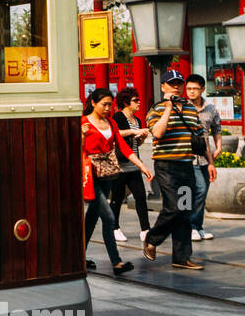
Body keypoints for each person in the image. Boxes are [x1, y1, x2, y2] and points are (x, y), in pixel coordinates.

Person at [142, 70, 214, 271]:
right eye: (171, 83)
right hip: (166, 165)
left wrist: (210, 163)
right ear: (163, 87)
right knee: (173, 207)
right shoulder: (156, 109)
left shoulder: (191, 109)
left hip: (186, 164)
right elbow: (157, 132)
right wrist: (168, 108)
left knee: (185, 210)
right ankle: (152, 238)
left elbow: (202, 138)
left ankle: (181, 257)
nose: (176, 87)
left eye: (178, 83)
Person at [82, 88, 152, 275]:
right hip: (90, 175)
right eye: (103, 104)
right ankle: (116, 262)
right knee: (109, 217)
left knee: (91, 218)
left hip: (108, 174)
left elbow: (124, 148)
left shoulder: (111, 123)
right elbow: (76, 149)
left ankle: (79, 257)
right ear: (94, 103)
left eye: (109, 105)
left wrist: (142, 167)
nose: (107, 108)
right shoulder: (83, 123)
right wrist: (82, 135)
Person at [108, 88, 152, 244]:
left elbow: (136, 144)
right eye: (135, 100)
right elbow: (116, 134)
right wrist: (134, 132)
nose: (139, 102)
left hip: (133, 164)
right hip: (120, 165)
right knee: (117, 198)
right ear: (126, 102)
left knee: (140, 196)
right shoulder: (118, 117)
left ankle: (145, 229)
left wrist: (141, 137)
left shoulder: (137, 120)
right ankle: (114, 228)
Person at [185, 74, 222, 242]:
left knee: (203, 190)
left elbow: (216, 129)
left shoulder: (210, 109)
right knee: (197, 189)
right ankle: (190, 226)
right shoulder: (182, 107)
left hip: (205, 156)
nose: (191, 92)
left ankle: (198, 227)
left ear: (202, 89)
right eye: (189, 89)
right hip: (187, 156)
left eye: (195, 89)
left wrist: (219, 147)